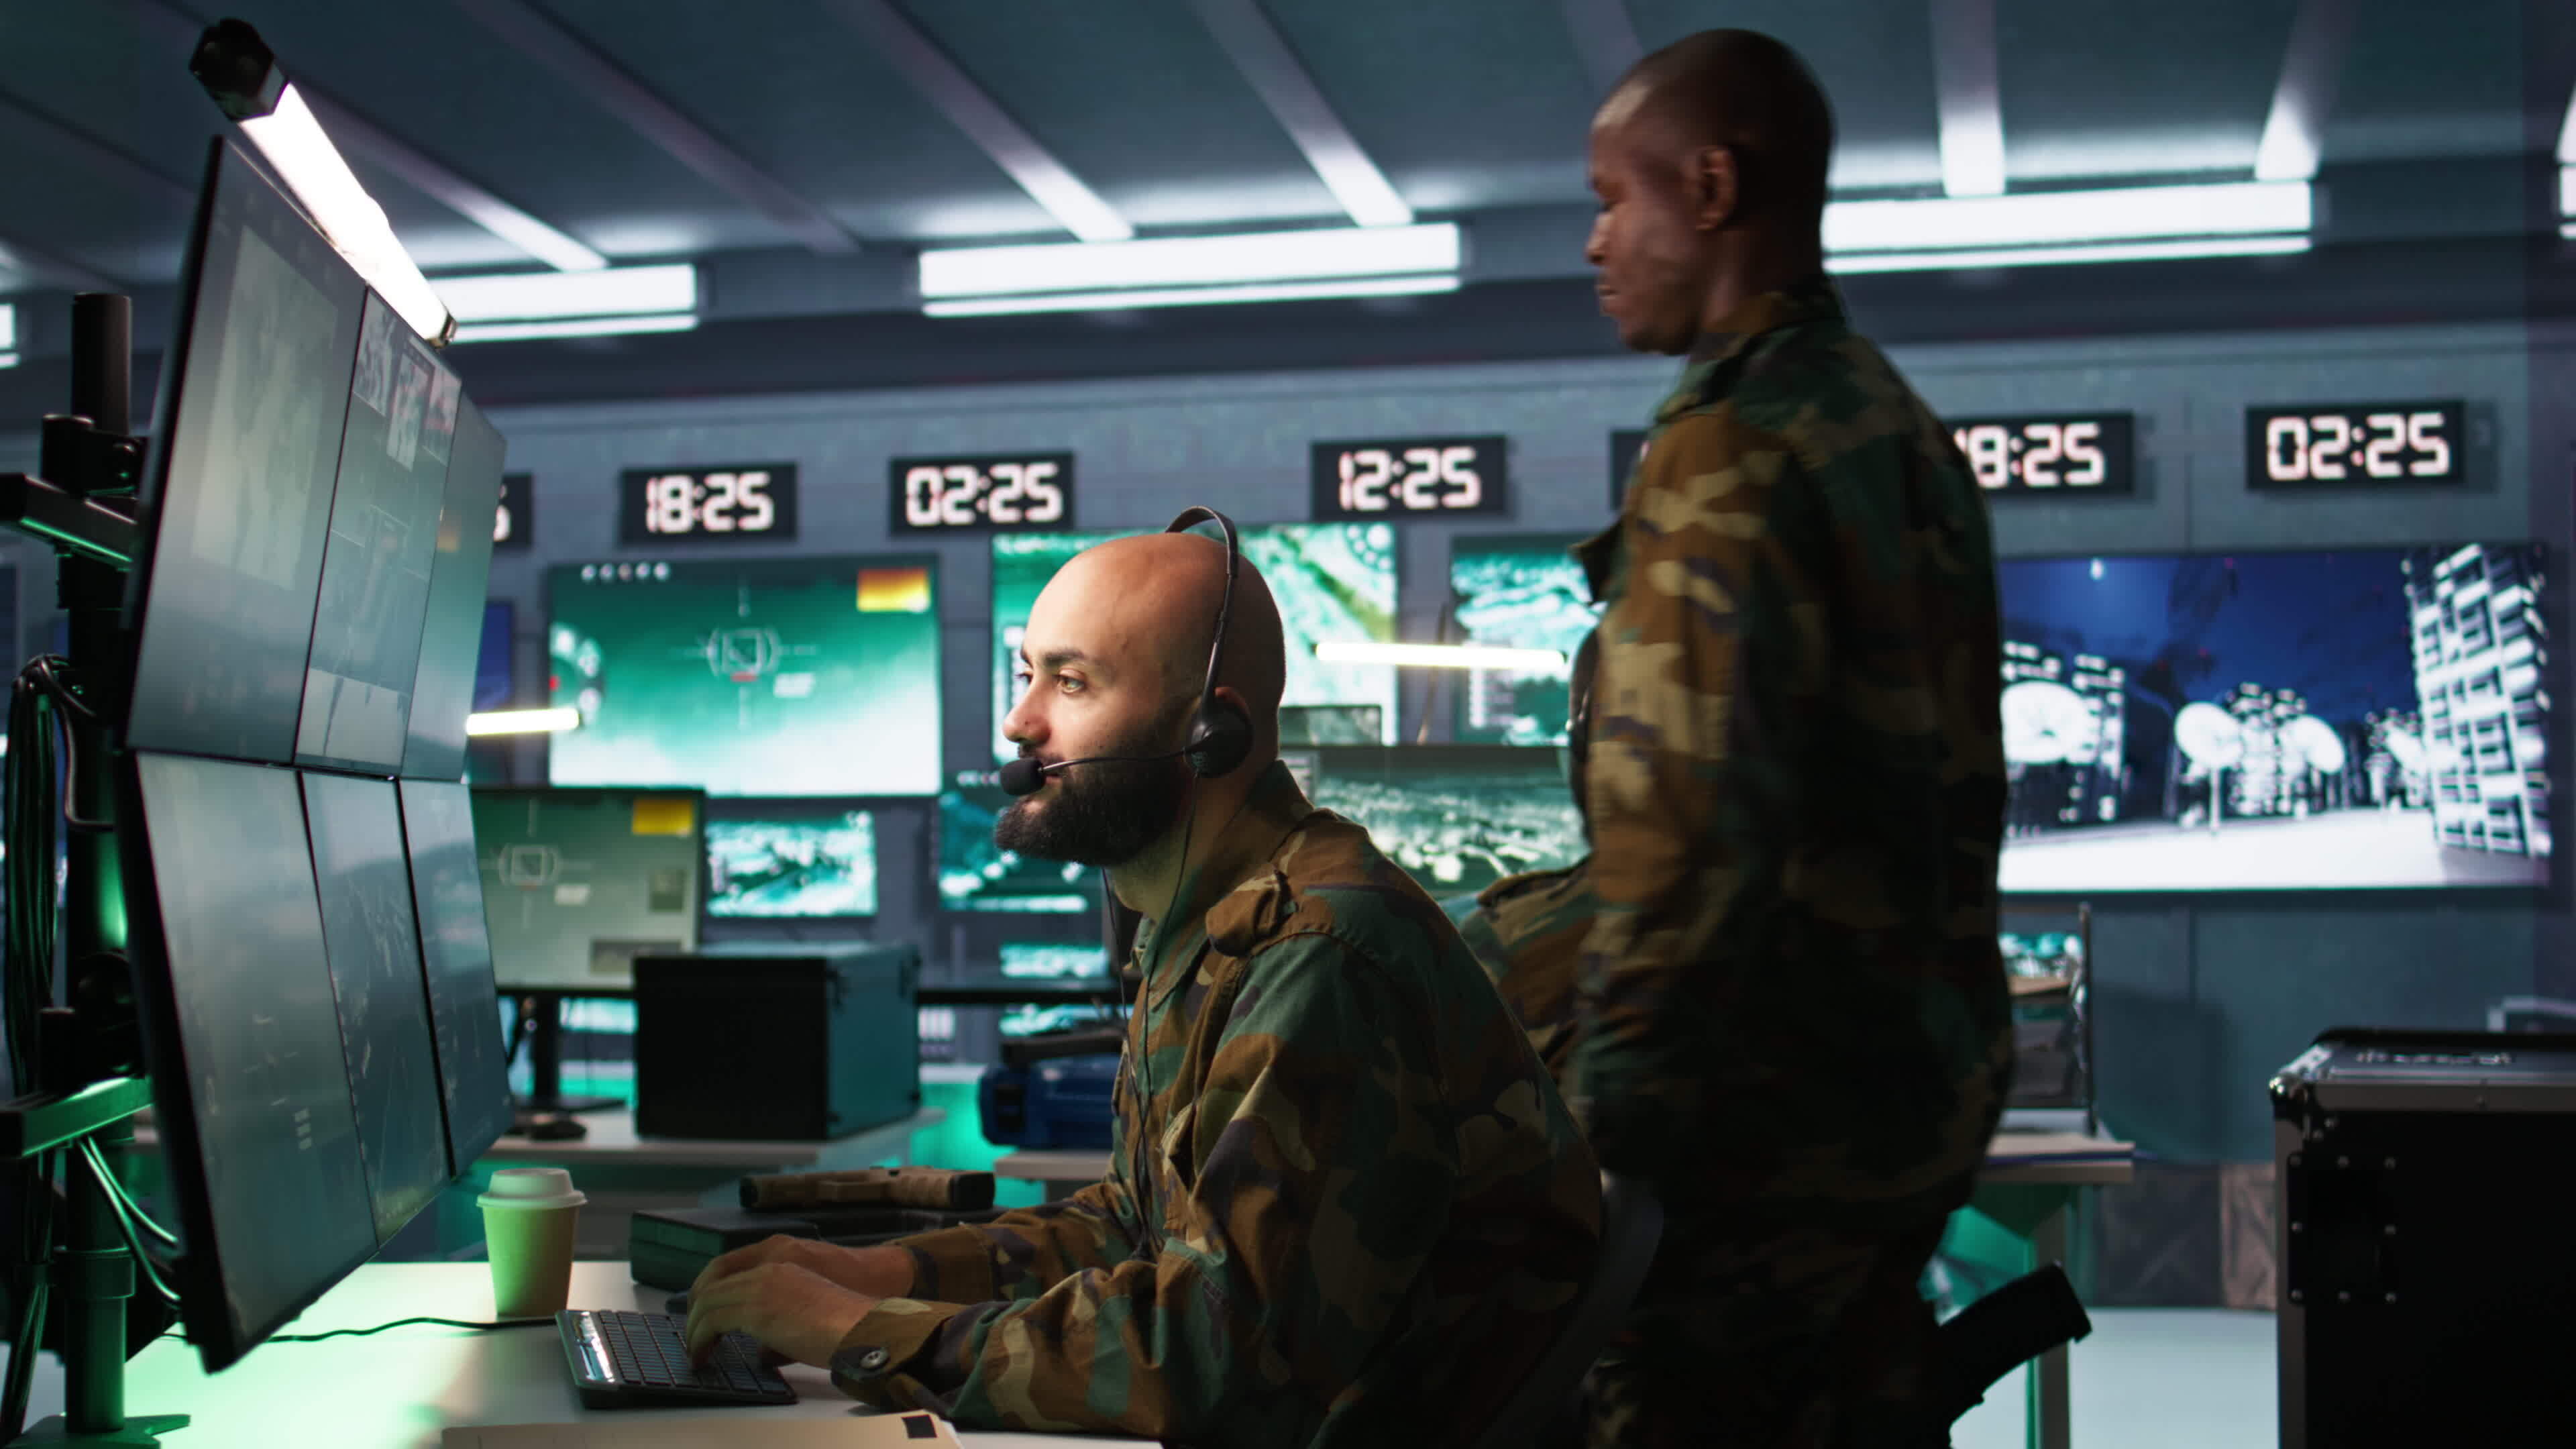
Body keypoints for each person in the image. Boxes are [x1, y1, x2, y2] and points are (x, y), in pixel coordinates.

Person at [683, 517, 1603, 1447]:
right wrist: (877, 1275)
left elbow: (1214, 1360)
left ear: (1209, 732)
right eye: (1026, 674)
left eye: (1071, 682)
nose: (1020, 721)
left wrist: (851, 1334)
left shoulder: (1319, 959)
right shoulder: (1207, 927)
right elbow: (1131, 1233)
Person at [1474, 28, 2017, 1448]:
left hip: (1757, 1132)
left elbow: (1684, 836)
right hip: (1903, 1101)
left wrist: (1602, 1149)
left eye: (1615, 197)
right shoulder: (1892, 425)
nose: (1596, 242)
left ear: (1712, 188)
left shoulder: (1731, 443)